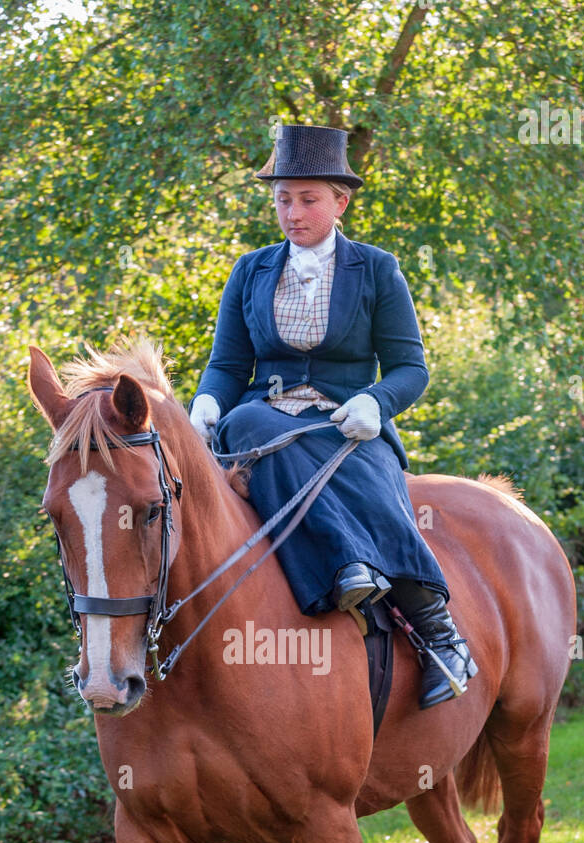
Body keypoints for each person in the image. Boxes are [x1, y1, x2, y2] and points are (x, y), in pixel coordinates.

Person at [189, 122, 476, 707]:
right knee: (244, 422)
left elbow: (410, 368)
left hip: (348, 426)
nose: (292, 212)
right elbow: (227, 363)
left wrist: (377, 400)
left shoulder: (376, 268)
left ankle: (440, 635)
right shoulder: (250, 271)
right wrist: (207, 401)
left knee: (371, 478)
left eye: (307, 199)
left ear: (340, 202)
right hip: (265, 424)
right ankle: (347, 566)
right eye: (282, 199)